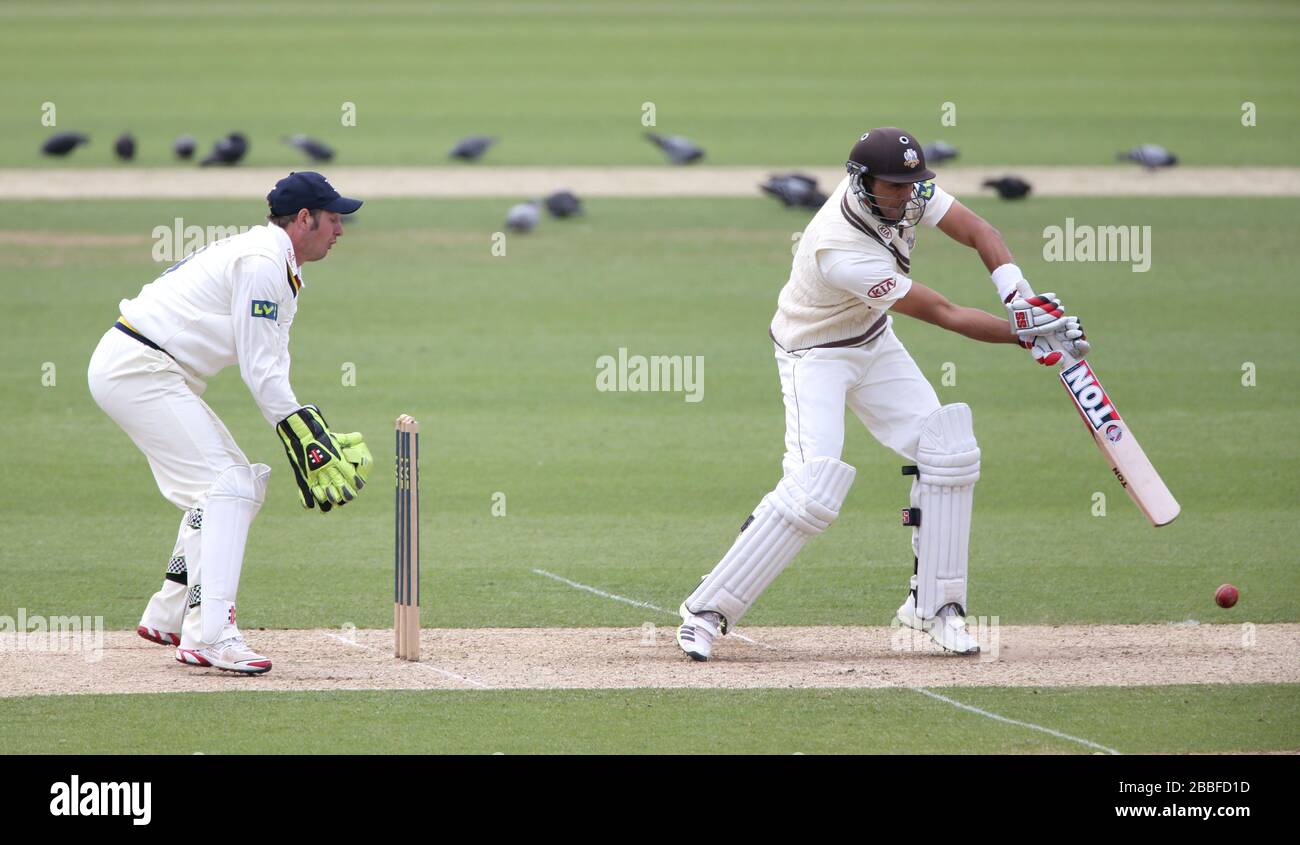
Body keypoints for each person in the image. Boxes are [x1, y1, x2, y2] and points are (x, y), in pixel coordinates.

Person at [675, 128, 1087, 661]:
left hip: (872, 340)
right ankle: (706, 611)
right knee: (812, 491)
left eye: (912, 184)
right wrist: (1025, 334)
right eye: (893, 186)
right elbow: (942, 313)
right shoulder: (839, 249)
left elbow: (980, 230)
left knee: (949, 451)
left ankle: (935, 607)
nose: (905, 195)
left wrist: (1022, 299)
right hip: (814, 353)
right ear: (862, 182)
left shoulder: (909, 195)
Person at [88, 171, 373, 674]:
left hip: (150, 370)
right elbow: (259, 370)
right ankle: (211, 635)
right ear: (303, 218)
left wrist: (308, 430)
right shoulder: (263, 262)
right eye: (333, 219)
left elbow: (270, 363)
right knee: (229, 487)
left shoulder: (277, 264)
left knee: (232, 485)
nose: (341, 230)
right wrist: (305, 435)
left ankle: (172, 610)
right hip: (139, 369)